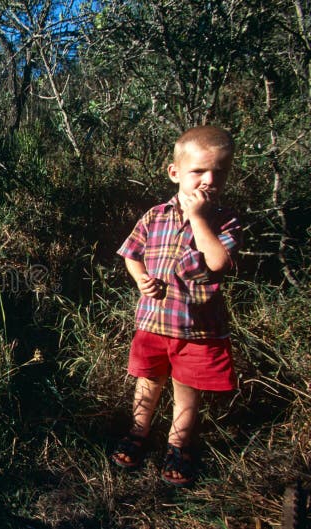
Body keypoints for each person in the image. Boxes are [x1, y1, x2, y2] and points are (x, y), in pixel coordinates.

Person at [111, 125, 242, 487]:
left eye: (220, 172)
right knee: (148, 381)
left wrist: (199, 219)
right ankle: (138, 433)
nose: (208, 180)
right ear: (175, 172)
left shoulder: (224, 221)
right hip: (153, 322)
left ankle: (178, 445)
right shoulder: (155, 216)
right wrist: (140, 278)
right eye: (198, 171)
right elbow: (131, 254)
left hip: (196, 328)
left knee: (187, 387)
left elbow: (217, 263)